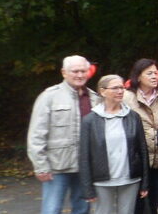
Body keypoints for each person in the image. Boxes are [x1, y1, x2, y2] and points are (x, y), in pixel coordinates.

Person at [27, 55, 101, 214]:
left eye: (83, 71)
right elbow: (36, 134)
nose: (80, 75)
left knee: (82, 209)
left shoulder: (94, 98)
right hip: (56, 167)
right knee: (51, 209)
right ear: (64, 73)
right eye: (75, 71)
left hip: (85, 167)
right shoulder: (49, 96)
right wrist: (41, 166)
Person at [80, 75, 149, 214]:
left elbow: (142, 150)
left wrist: (145, 183)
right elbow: (84, 156)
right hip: (102, 180)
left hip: (130, 178)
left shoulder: (133, 117)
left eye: (122, 87)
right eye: (115, 88)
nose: (120, 91)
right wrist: (87, 188)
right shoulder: (89, 120)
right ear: (102, 91)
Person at [124, 58, 158, 214]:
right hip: (137, 161)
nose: (154, 76)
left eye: (156, 73)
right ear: (138, 77)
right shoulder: (126, 98)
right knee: (138, 206)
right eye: (149, 73)